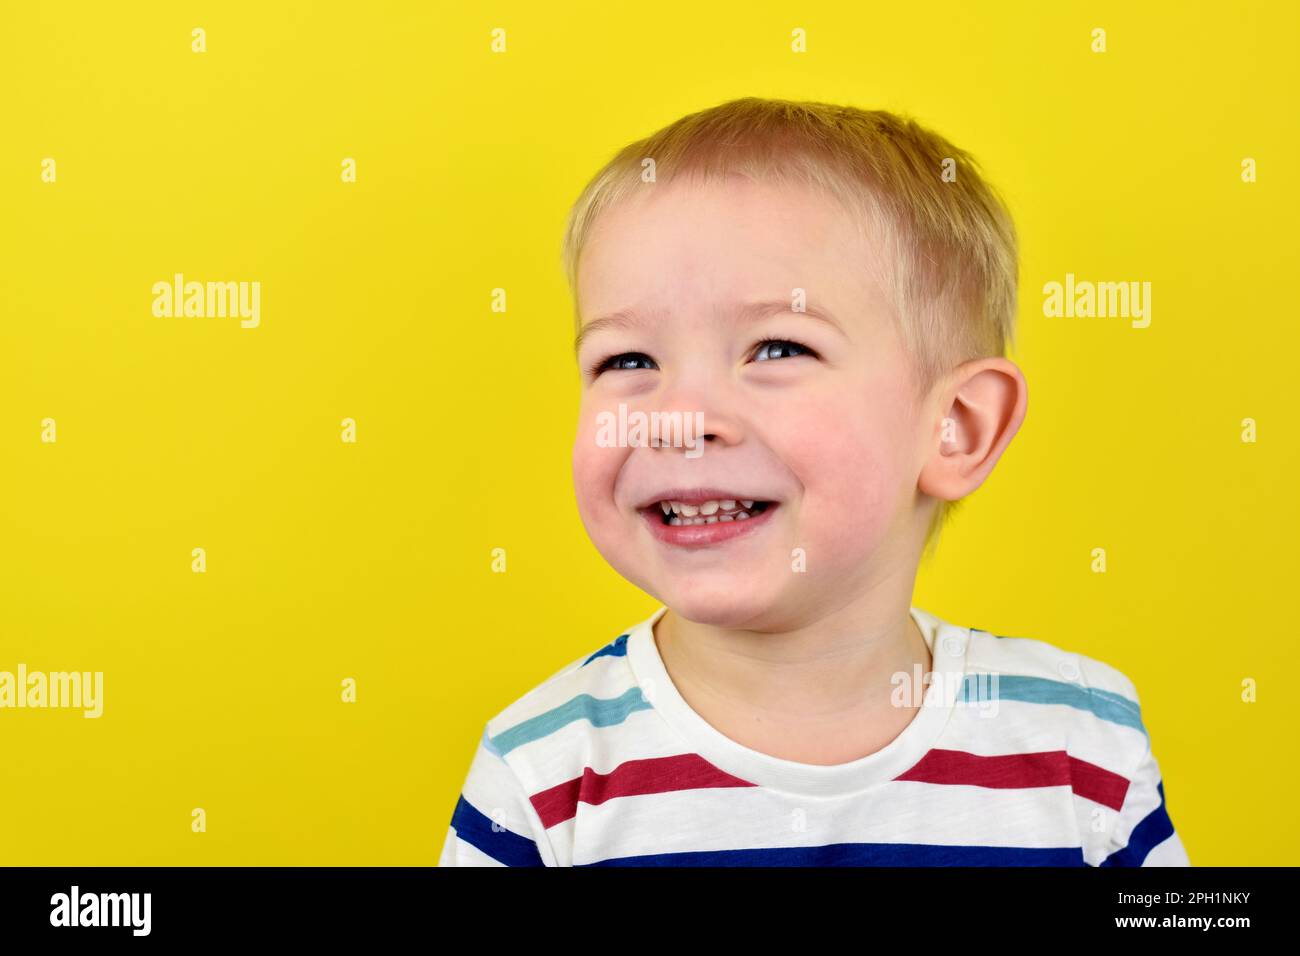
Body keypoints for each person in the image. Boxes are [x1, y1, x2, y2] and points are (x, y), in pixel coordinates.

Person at [438, 96, 1189, 866]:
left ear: (956, 426)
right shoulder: (541, 777)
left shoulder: (1079, 748)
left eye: (775, 349)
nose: (678, 417)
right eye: (628, 361)